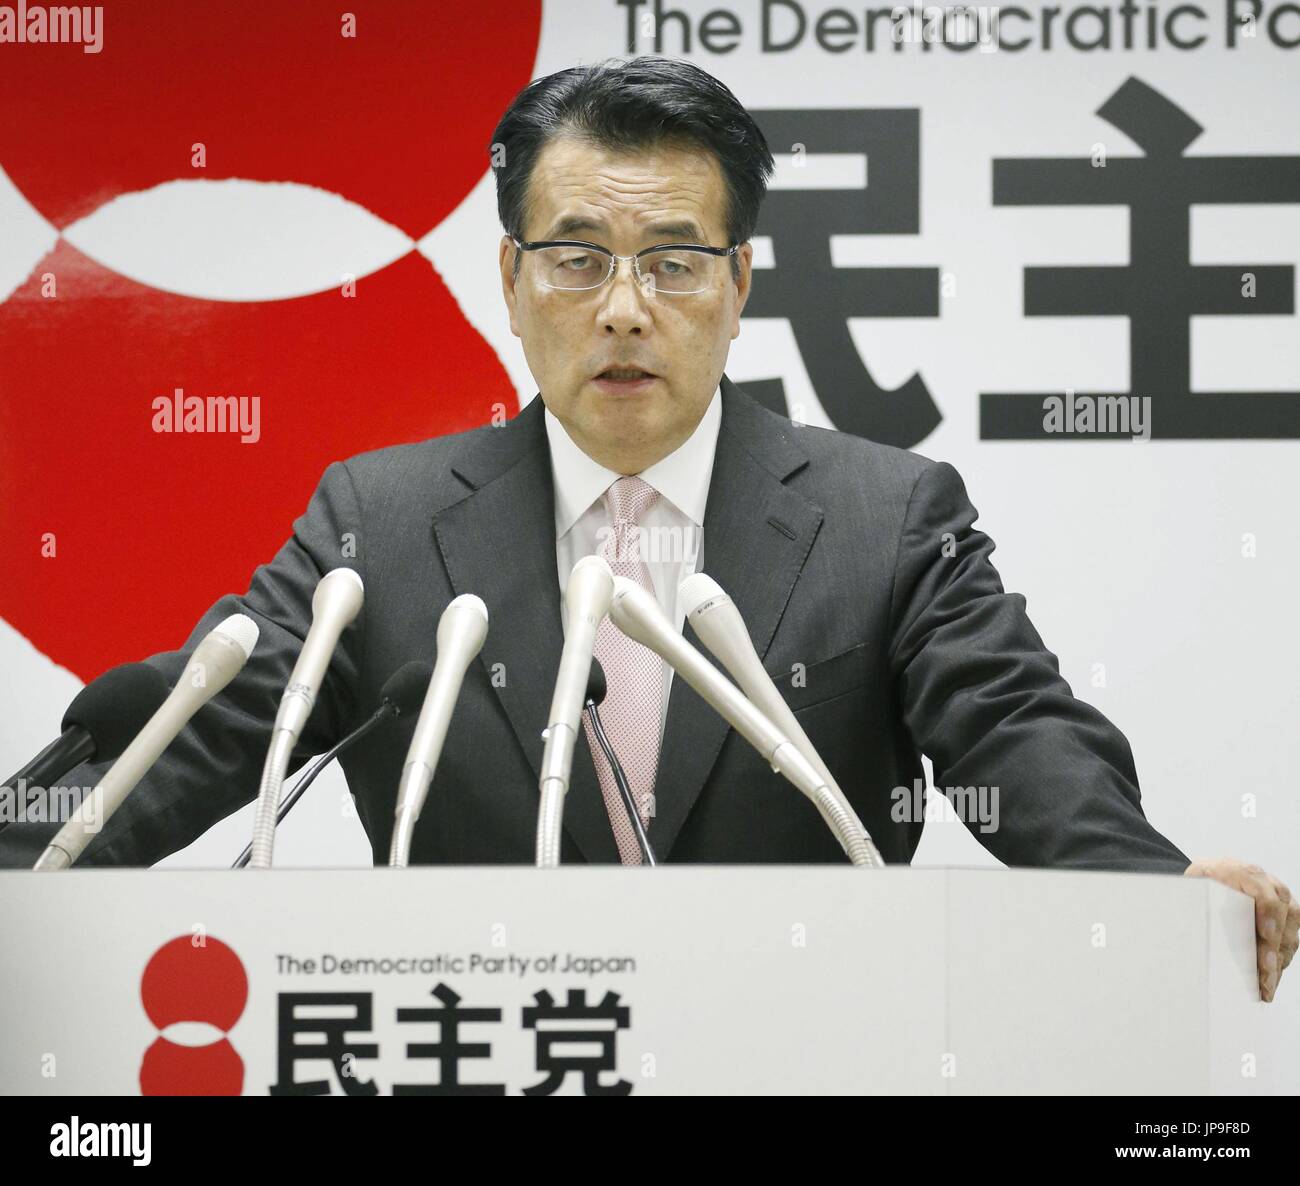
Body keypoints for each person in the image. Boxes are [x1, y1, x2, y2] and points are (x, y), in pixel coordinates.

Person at [2, 57, 1293, 1003]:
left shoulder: (886, 518)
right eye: (576, 258)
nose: (624, 308)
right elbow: (185, 733)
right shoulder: (380, 525)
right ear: (510, 280)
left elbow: (1018, 737)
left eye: (673, 262)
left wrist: (1157, 898)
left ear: (739, 287)